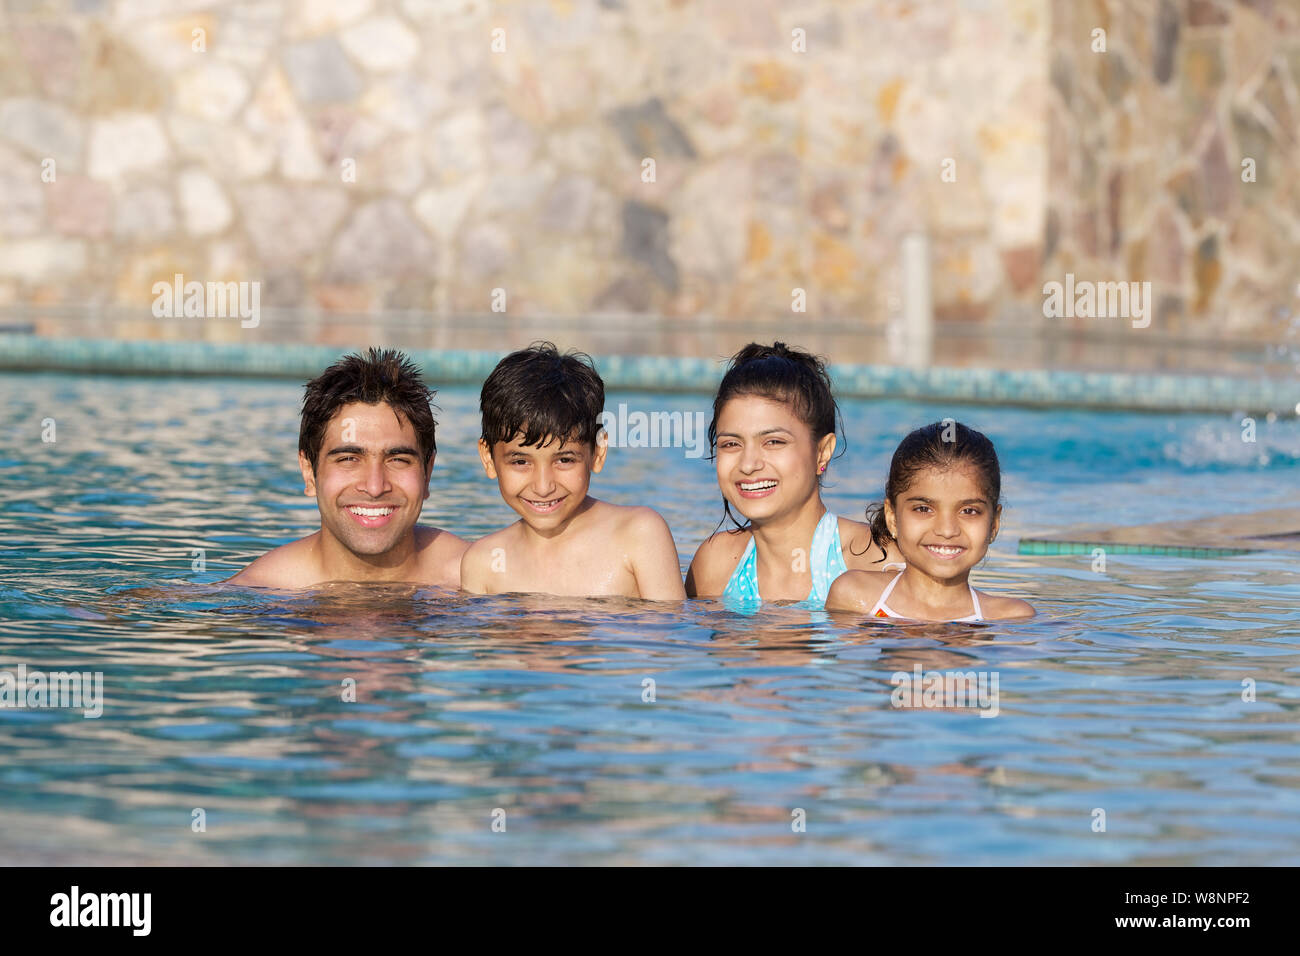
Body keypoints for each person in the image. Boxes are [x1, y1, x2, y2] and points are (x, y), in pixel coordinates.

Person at [460, 343, 686, 600]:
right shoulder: (483, 563)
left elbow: (670, 634)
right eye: (521, 462)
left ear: (598, 453)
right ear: (488, 458)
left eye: (564, 460)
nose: (543, 486)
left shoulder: (639, 535)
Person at [227, 348, 467, 588]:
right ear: (309, 472)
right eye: (348, 459)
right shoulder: (257, 594)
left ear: (428, 473)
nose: (374, 487)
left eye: (398, 460)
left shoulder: (480, 580)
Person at [685, 342, 902, 608]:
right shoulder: (715, 564)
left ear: (822, 453)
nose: (749, 464)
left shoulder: (877, 561)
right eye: (731, 444)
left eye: (774, 442)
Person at [826, 420, 1034, 621]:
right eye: (923, 509)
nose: (947, 530)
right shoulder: (855, 597)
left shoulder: (1009, 619)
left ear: (994, 524)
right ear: (892, 518)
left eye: (969, 511)